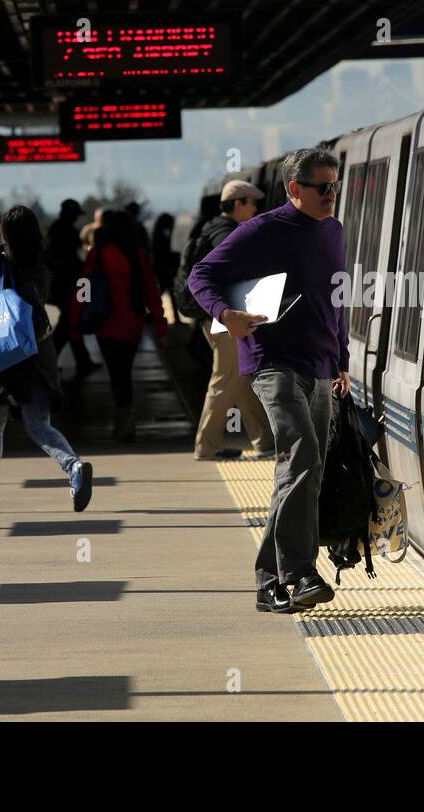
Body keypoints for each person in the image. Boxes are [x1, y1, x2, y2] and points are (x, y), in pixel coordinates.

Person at [188, 148, 350, 615]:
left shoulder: (333, 232)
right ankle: (299, 573)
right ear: (295, 189)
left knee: (302, 470)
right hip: (272, 360)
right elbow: (203, 275)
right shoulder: (261, 230)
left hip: (320, 366)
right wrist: (227, 315)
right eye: (324, 188)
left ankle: (267, 582)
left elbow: (334, 300)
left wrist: (342, 361)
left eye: (336, 186)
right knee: (303, 454)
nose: (332, 195)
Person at [0, 205, 93, 514]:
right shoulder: (40, 264)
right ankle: (73, 466)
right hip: (36, 351)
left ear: (5, 232)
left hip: (2, 351)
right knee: (38, 424)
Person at [191, 180, 274, 461]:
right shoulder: (226, 235)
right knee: (225, 382)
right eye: (252, 203)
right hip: (224, 320)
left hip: (216, 318)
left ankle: (264, 442)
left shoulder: (212, 228)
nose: (255, 209)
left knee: (239, 379)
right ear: (238, 203)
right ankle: (207, 446)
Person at [71, 209, 167, 441]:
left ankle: (124, 418)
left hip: (106, 323)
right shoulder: (138, 255)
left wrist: (75, 318)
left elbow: (83, 286)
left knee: (117, 373)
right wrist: (160, 323)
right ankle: (126, 418)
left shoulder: (98, 255)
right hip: (132, 323)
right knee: (124, 370)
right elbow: (151, 291)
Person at [46, 198, 100, 379]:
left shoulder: (55, 230)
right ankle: (49, 362)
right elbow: (73, 260)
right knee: (69, 323)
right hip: (67, 285)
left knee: (70, 323)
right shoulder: (67, 231)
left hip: (61, 285)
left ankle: (78, 361)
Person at [150, 212, 180, 319]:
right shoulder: (161, 236)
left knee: (163, 293)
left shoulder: (157, 234)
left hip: (160, 270)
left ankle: (152, 314)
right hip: (163, 270)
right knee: (166, 293)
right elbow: (163, 254)